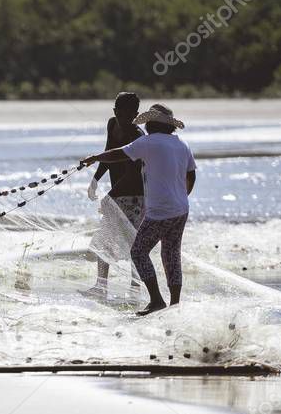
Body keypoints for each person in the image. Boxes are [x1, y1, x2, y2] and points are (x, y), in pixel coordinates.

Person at [80, 103, 196, 316]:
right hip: (181, 210)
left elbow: (118, 154)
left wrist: (95, 157)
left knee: (138, 252)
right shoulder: (182, 144)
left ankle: (156, 300)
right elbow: (191, 176)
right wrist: (179, 198)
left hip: (160, 212)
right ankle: (175, 304)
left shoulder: (148, 142)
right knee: (171, 253)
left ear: (152, 124)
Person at [84, 92, 145, 299]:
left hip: (136, 196)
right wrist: (95, 179)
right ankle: (101, 286)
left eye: (128, 115)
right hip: (117, 192)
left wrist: (110, 195)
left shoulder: (138, 136)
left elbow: (134, 172)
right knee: (105, 238)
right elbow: (109, 153)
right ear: (114, 111)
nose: (123, 118)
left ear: (136, 115)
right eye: (119, 113)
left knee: (134, 244)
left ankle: (135, 289)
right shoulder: (112, 124)